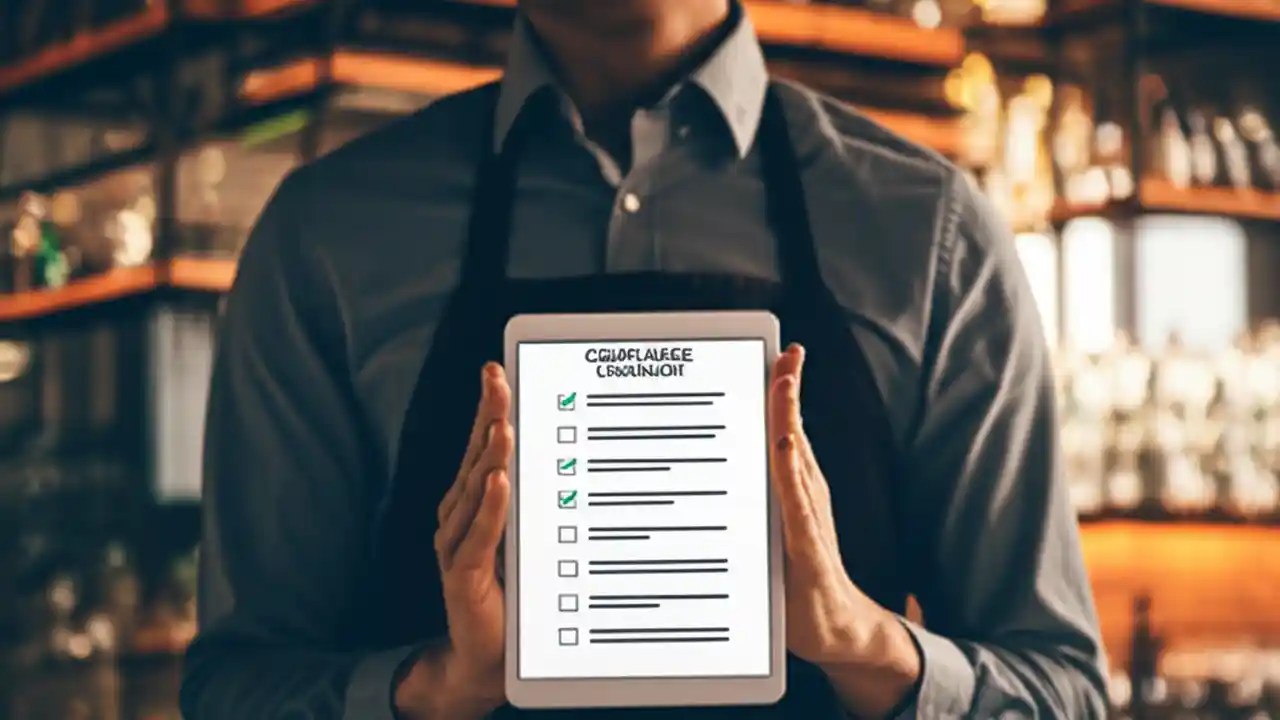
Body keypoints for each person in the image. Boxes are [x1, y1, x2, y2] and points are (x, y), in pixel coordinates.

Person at [179, 0, 1108, 718]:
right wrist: (436, 688)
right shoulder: (325, 237)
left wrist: (862, 643)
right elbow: (237, 687)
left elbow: (1060, 687)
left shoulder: (933, 232)